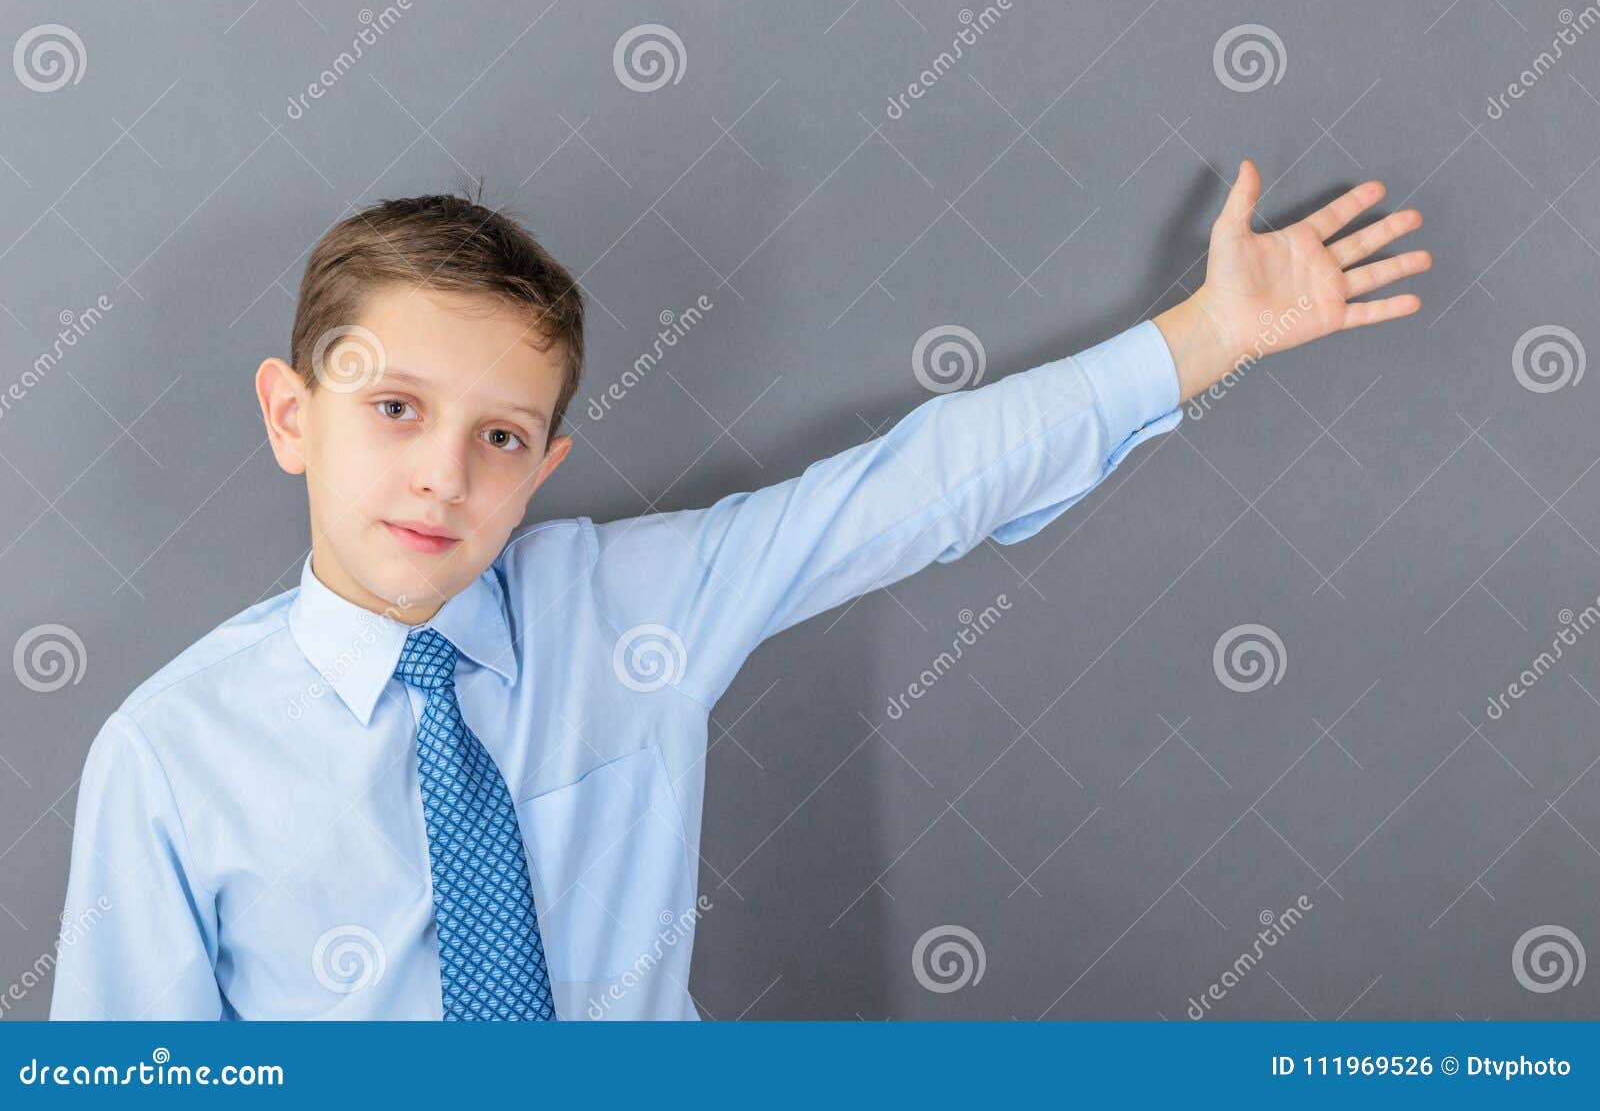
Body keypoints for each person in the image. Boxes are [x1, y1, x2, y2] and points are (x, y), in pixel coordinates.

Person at [49, 160, 1428, 1020]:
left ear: (546, 464)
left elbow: (912, 489)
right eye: (395, 407)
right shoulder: (170, 759)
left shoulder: (629, 608)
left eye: (500, 437)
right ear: (293, 416)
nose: (442, 479)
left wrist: (1210, 334)